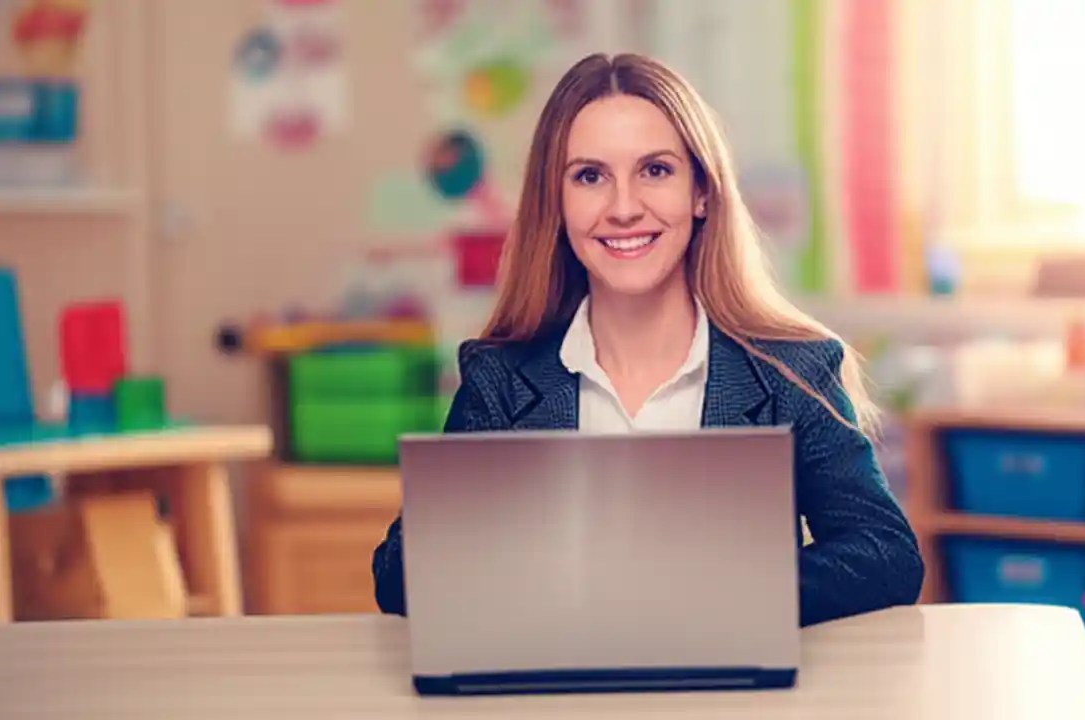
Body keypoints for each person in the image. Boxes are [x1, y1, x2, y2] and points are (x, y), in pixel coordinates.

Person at [372, 52, 922, 627]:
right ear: (556, 206)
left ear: (701, 193)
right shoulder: (503, 382)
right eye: (590, 177)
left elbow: (886, 556)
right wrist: (562, 582)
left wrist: (717, 594)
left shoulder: (793, 371)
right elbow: (398, 571)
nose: (625, 208)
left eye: (655, 171)